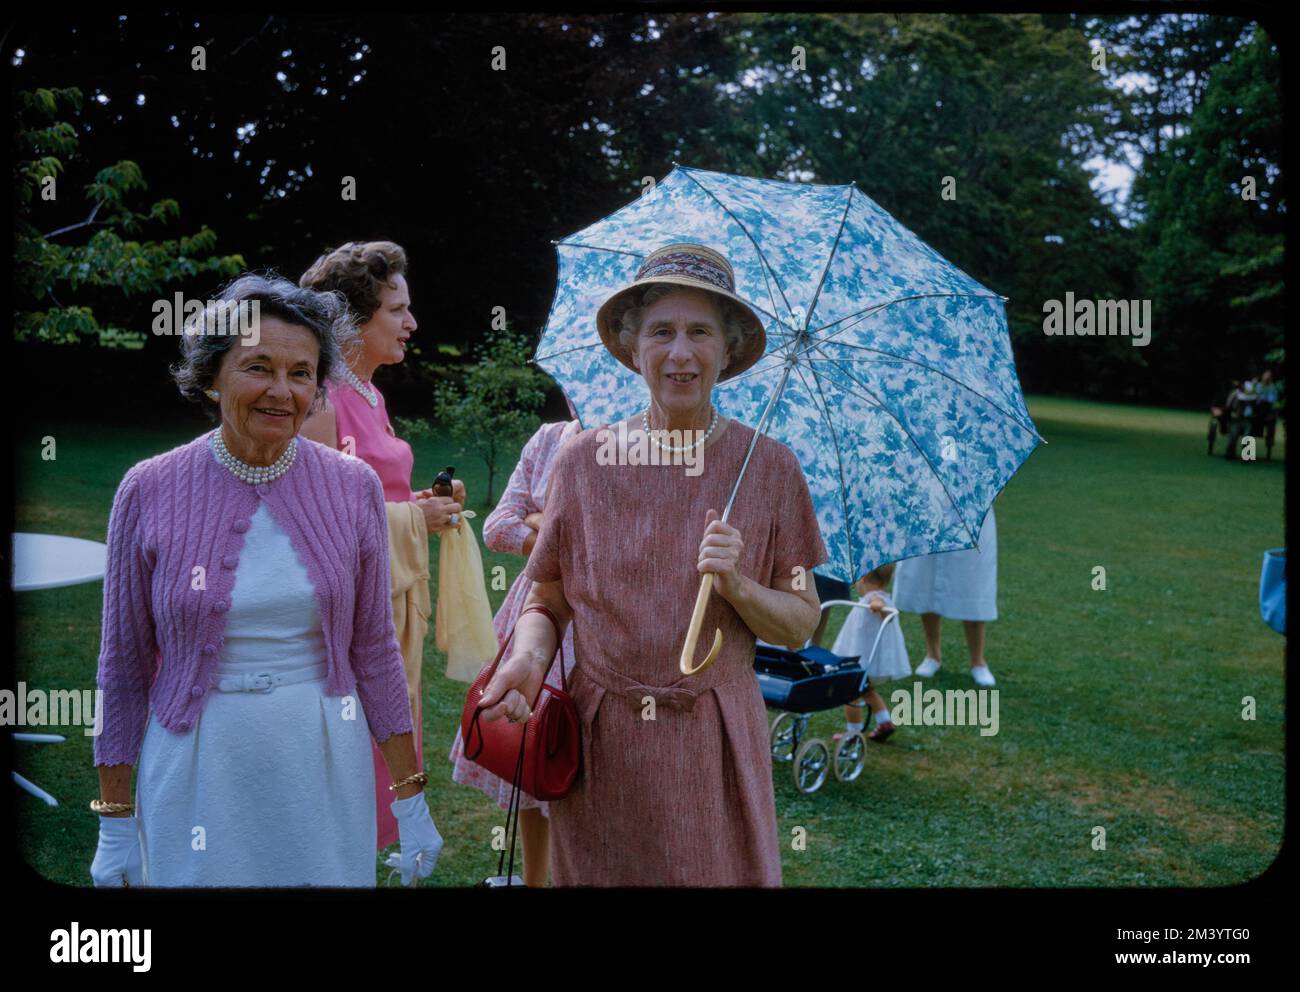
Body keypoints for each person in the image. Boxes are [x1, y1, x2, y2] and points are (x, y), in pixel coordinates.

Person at [477, 243, 827, 887]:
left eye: (701, 332)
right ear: (632, 347)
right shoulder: (581, 463)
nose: (681, 353)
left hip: (713, 743)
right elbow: (545, 599)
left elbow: (800, 623)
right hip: (603, 737)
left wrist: (739, 587)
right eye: (662, 331)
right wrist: (526, 660)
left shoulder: (771, 469)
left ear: (729, 349)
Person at [89, 275, 441, 887]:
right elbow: (122, 666)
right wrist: (114, 821)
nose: (283, 391)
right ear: (211, 374)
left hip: (323, 760)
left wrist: (410, 799)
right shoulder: (147, 489)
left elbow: (375, 652)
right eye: (258, 367)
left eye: (302, 373)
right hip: (196, 762)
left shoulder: (352, 487)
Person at [299, 241, 465, 851]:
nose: (412, 323)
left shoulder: (372, 394)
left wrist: (425, 506)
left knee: (390, 729)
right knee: (345, 756)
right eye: (396, 310)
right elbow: (314, 521)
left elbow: (371, 492)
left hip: (396, 603)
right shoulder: (319, 400)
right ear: (349, 318)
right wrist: (413, 517)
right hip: (346, 614)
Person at [447, 400, 581, 886]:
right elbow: (497, 526)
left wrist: (541, 521)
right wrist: (546, 531)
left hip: (599, 621)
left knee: (579, 758)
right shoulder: (550, 438)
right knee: (530, 743)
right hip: (537, 611)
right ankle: (532, 880)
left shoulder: (641, 449)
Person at [892, 506, 999, 686]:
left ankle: (977, 660)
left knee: (973, 585)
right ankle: (933, 654)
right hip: (928, 511)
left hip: (971, 514)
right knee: (927, 581)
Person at [829, 563, 911, 742]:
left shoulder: (875, 598)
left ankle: (853, 733)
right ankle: (885, 722)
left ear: (863, 579)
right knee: (867, 692)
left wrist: (876, 604)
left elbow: (883, 608)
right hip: (870, 660)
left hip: (864, 661)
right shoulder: (876, 597)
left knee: (850, 694)